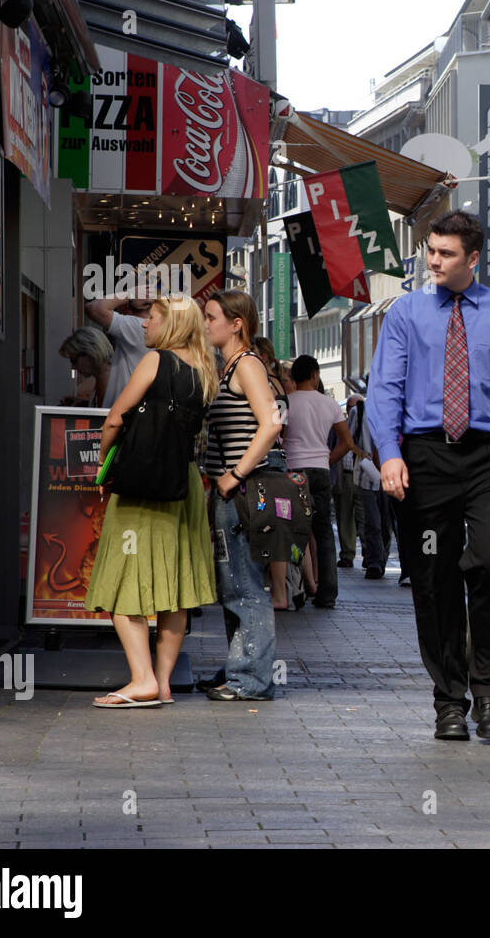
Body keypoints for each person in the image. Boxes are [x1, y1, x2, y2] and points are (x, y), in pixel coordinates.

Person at [366, 210, 490, 741]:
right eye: (431, 250)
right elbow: (385, 388)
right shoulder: (405, 313)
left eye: (445, 253)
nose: (433, 260)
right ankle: (449, 699)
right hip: (425, 458)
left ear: (473, 258)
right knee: (433, 579)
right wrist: (389, 453)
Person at [86, 296, 219, 707]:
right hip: (183, 486)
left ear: (172, 325)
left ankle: (141, 679)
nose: (144, 325)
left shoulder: (155, 362)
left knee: (124, 578)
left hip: (142, 485)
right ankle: (161, 682)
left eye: (152, 318)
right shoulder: (204, 371)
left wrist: (104, 460)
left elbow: (114, 418)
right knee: (174, 586)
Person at [201, 289, 284, 700]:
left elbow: (271, 423)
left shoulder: (247, 364)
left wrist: (234, 474)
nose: (206, 323)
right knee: (233, 582)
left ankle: (249, 678)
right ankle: (241, 666)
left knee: (244, 584)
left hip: (244, 489)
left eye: (212, 316)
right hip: (231, 489)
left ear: (237, 324)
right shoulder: (228, 365)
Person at [284, 355, 365, 609]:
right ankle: (327, 592)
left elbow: (279, 436)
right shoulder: (329, 404)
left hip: (292, 471)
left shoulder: (286, 403)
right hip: (319, 470)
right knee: (323, 533)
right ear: (315, 375)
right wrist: (327, 459)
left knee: (293, 531)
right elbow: (348, 443)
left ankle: (296, 587)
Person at [251, 336, 298, 610]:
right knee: (276, 526)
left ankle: (271, 590)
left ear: (264, 358)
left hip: (262, 456)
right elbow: (284, 428)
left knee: (258, 525)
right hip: (279, 457)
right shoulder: (280, 385)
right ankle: (279, 592)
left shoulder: (261, 383)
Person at [85, 287, 152, 407]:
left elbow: (94, 308)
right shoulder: (149, 329)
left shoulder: (138, 327)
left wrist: (130, 294)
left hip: (125, 417)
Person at [347, 395, 388, 578]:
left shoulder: (393, 409)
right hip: (366, 473)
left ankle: (381, 559)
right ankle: (374, 563)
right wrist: (361, 453)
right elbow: (348, 440)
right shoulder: (358, 412)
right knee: (372, 522)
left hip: (390, 474)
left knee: (387, 524)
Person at [333, 393, 364, 568]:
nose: (354, 410)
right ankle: (347, 554)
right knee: (344, 516)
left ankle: (370, 554)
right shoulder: (340, 423)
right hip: (344, 474)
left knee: (364, 515)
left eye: (357, 406)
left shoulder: (368, 421)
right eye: (351, 407)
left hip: (362, 475)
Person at [58, 327, 113, 407]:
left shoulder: (107, 384)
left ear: (90, 354)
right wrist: (86, 404)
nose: (73, 367)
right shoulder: (107, 377)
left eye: (74, 361)